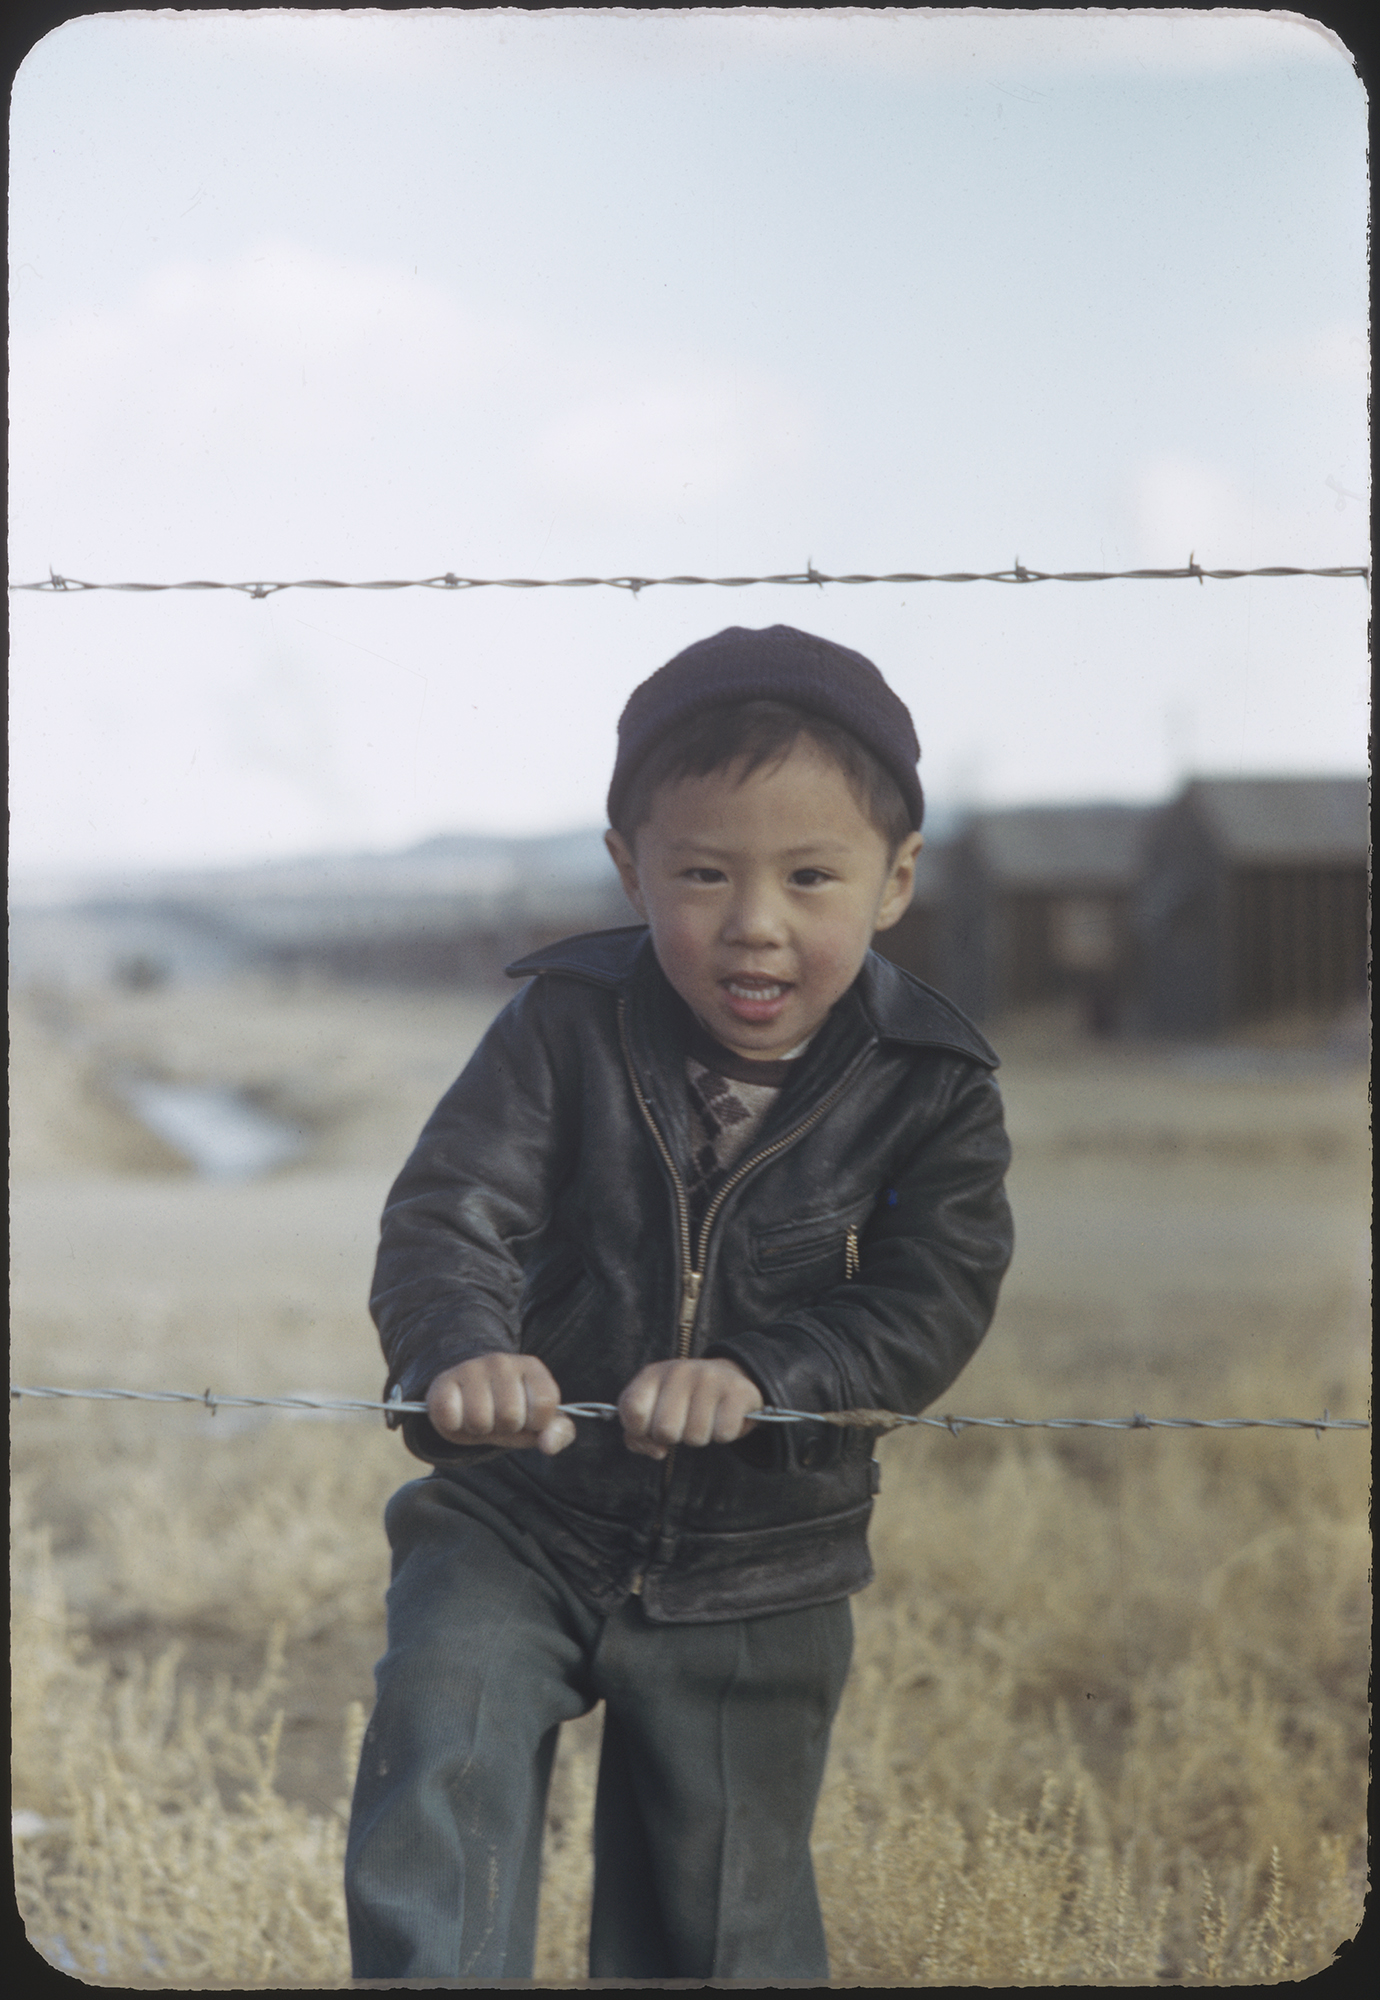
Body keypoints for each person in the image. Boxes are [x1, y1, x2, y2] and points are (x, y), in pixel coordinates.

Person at [344, 624, 1014, 1980]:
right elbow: (449, 1210)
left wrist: (769, 1376)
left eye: (810, 877)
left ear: (895, 883)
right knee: (440, 1749)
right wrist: (463, 1350)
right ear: (627, 868)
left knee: (719, 1915)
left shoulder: (931, 1083)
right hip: (519, 1507)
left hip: (762, 1552)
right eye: (702, 873)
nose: (754, 920)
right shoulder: (561, 1023)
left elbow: (928, 1295)